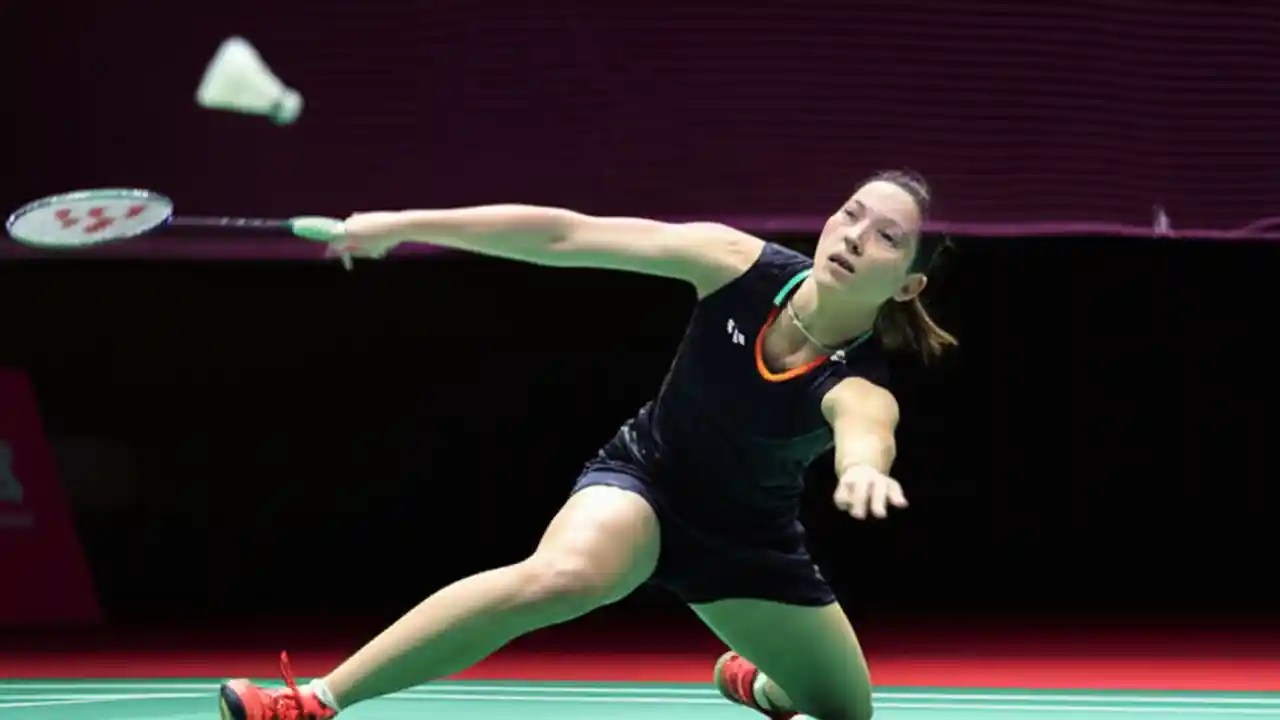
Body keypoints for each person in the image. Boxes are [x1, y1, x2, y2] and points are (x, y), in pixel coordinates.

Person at [218, 169, 956, 720]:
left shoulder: (858, 381)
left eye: (887, 236)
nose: (856, 236)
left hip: (748, 543)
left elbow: (866, 429)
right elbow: (565, 232)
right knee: (562, 576)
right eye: (851, 214)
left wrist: (863, 469)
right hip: (648, 483)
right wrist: (402, 222)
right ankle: (314, 700)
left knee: (845, 713)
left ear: (907, 285)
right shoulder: (737, 266)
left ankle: (757, 680)